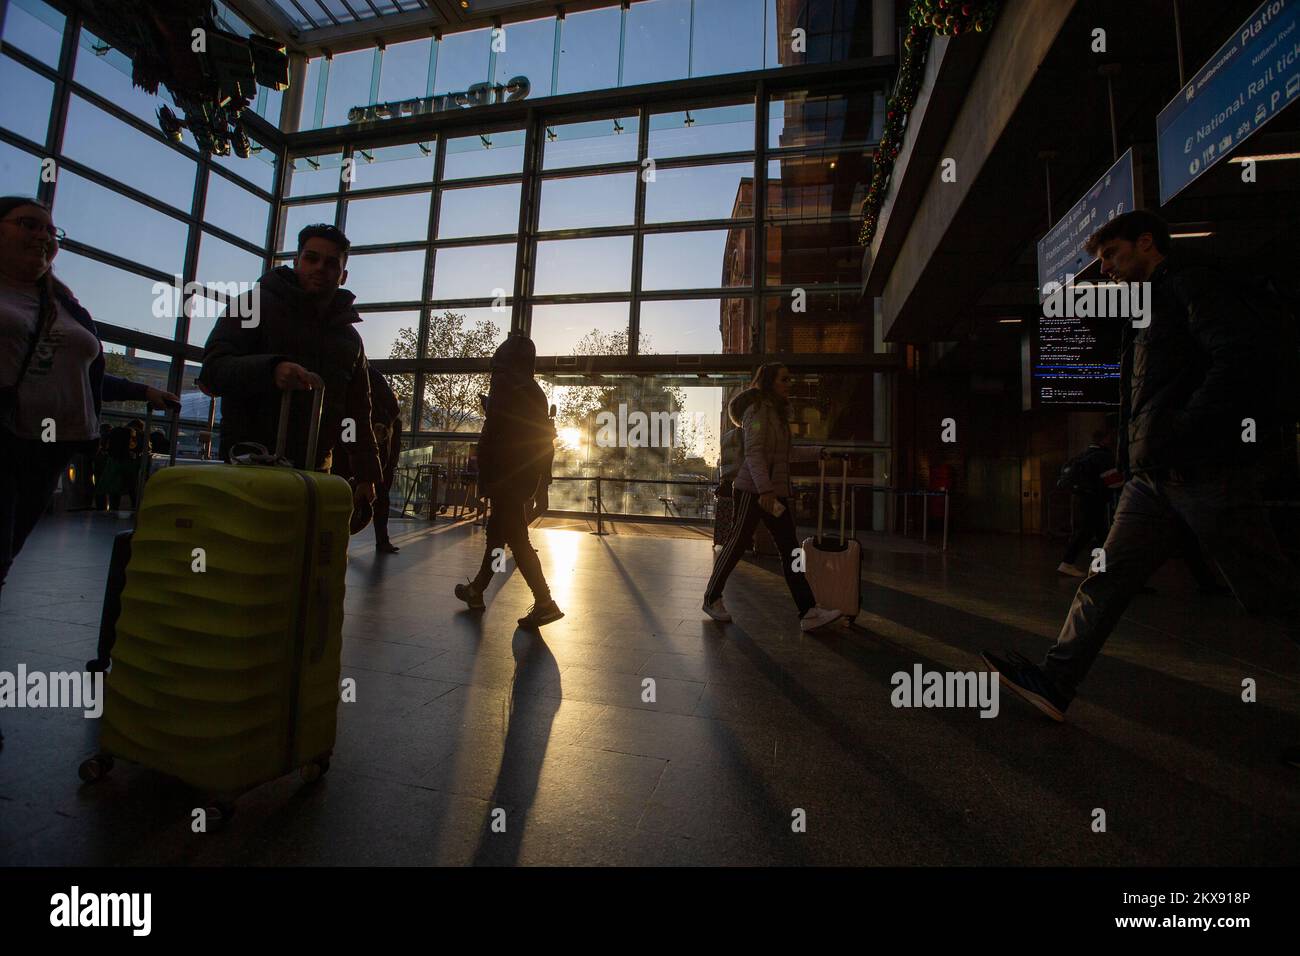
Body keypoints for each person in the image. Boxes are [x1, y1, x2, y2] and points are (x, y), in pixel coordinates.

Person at [982, 211, 1300, 764]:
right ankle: (1056, 683)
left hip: (1205, 471)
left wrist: (1182, 430)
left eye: (1110, 256)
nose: (1103, 270)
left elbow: (1238, 358)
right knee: (1104, 580)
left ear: (1145, 243)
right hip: (1153, 481)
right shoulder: (1146, 309)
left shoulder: (1190, 285)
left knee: (1270, 590)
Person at [0, 196, 177, 600]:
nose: (43, 236)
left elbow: (82, 372)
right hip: (6, 437)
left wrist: (143, 391)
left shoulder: (61, 302)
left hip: (50, 447)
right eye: (28, 224)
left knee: (6, 554)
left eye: (50, 230)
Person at [199, 223, 380, 513]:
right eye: (312, 258)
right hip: (251, 467)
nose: (320, 268)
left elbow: (356, 412)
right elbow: (213, 371)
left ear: (342, 276)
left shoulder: (349, 339)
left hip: (314, 474)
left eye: (331, 263)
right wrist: (271, 371)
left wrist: (366, 475)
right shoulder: (254, 305)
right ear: (296, 262)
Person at [702, 363, 844, 632]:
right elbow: (754, 453)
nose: (789, 383)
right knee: (736, 544)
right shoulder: (756, 411)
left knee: (790, 549)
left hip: (772, 492)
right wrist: (765, 491)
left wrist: (818, 452)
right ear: (769, 382)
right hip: (752, 490)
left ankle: (809, 611)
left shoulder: (777, 414)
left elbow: (786, 453)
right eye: (784, 379)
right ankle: (712, 597)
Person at [453, 334, 563, 629]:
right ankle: (476, 590)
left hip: (505, 477)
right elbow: (543, 438)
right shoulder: (534, 391)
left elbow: (496, 434)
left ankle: (545, 602)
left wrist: (487, 474)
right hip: (520, 477)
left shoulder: (504, 384)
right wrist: (543, 482)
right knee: (498, 538)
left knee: (516, 539)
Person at [333, 364, 402, 553]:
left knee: (342, 494)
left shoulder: (355, 378)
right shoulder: (375, 383)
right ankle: (381, 540)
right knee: (381, 496)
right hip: (375, 454)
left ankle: (338, 538)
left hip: (357, 451)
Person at [1056, 426, 1116, 576]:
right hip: (1096, 499)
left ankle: (1097, 567)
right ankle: (1071, 563)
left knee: (1097, 533)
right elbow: (1115, 482)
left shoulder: (1082, 455)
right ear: (1105, 439)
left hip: (1082, 499)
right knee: (1090, 533)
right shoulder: (1103, 456)